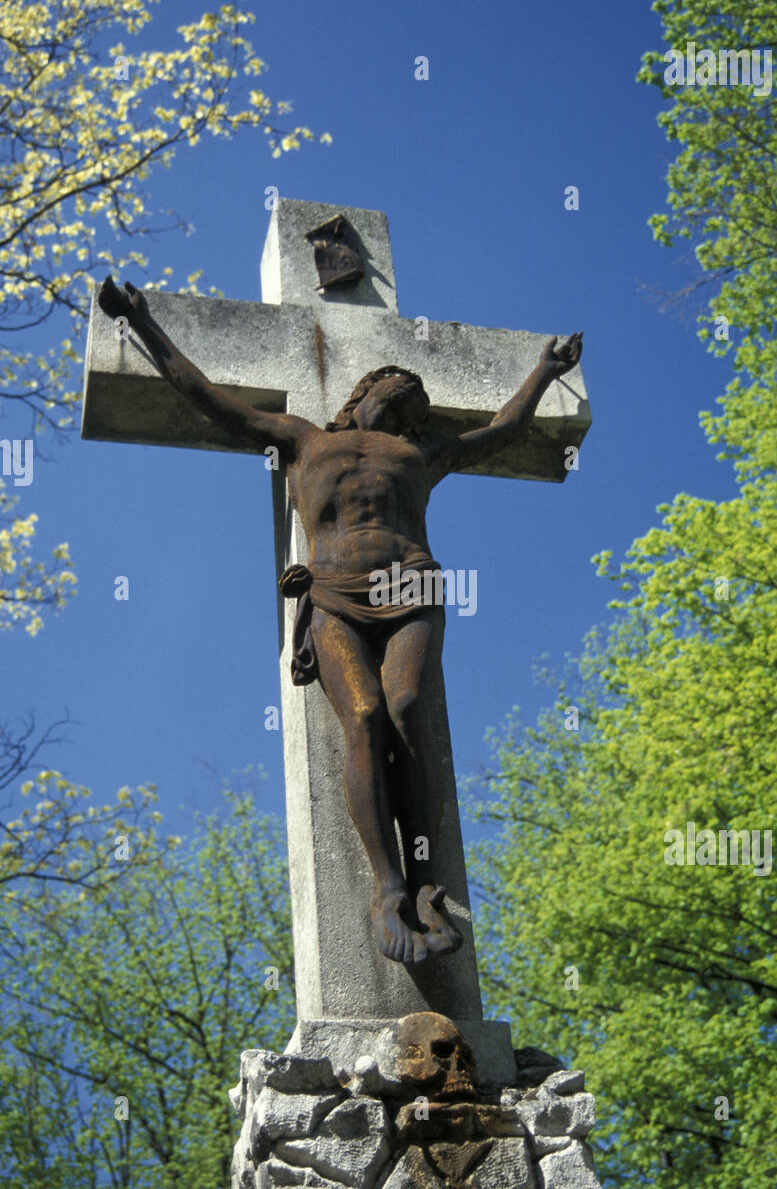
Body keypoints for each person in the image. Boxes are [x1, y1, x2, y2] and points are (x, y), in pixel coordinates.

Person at [98, 275, 582, 965]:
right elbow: (204, 394)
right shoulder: (300, 438)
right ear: (362, 392)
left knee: (408, 704)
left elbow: (503, 430)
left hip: (409, 582)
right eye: (396, 389)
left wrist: (544, 370)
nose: (407, 400)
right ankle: (387, 884)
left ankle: (424, 882)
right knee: (361, 716)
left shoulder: (423, 453)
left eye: (415, 400)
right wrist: (143, 323)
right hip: (333, 593)